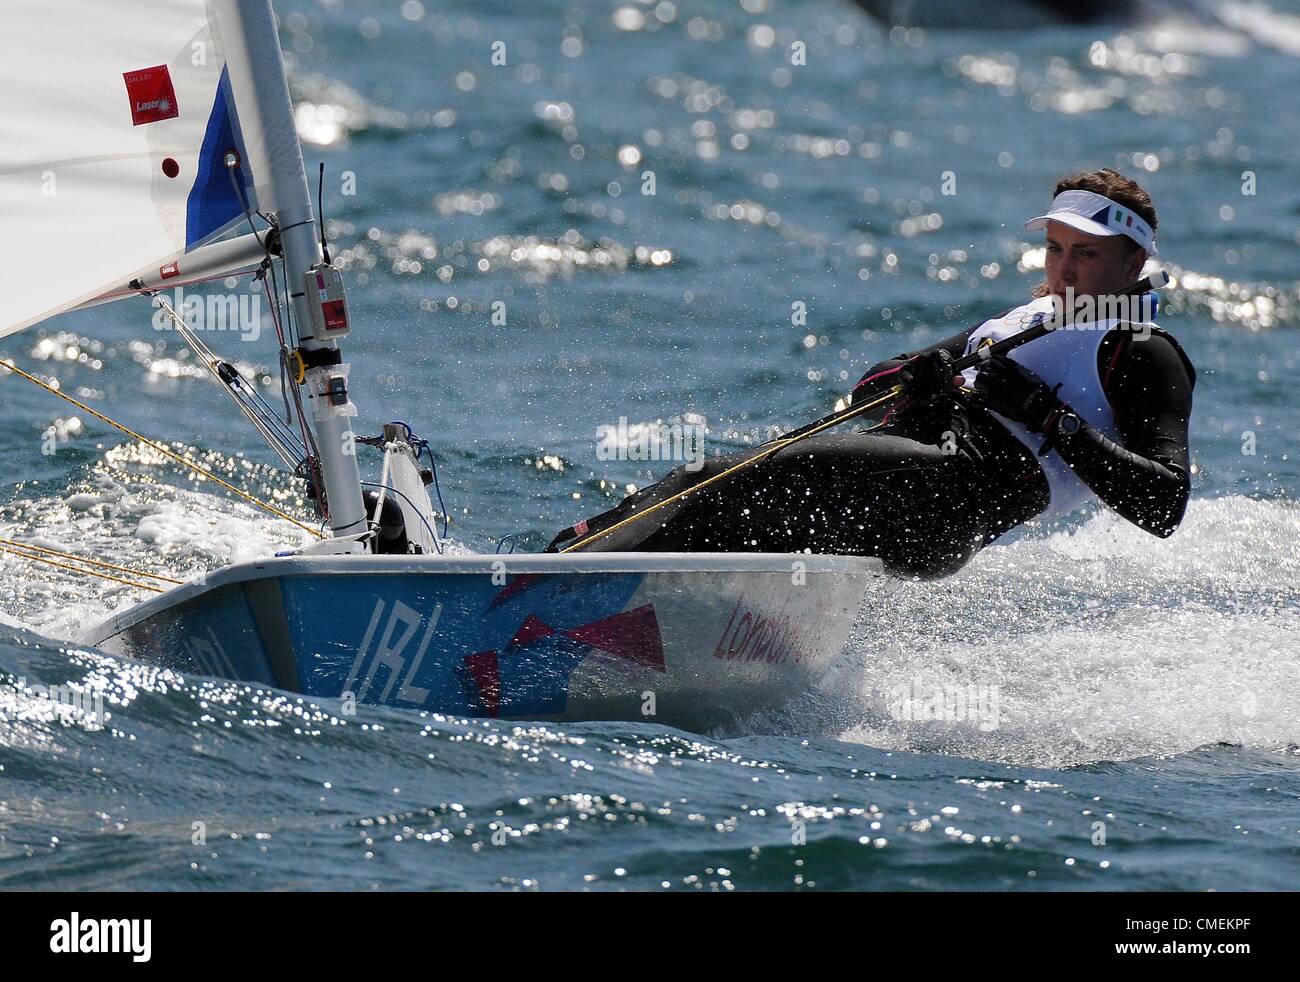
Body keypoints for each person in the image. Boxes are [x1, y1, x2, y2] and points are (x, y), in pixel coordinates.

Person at [547, 168, 1195, 577]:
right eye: (1055, 249)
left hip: (950, 497)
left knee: (703, 482)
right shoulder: (1028, 319)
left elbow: (1165, 503)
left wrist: (1044, 415)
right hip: (912, 475)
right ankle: (572, 577)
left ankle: (548, 588)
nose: (1065, 269)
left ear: (1134, 259)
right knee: (719, 517)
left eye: (1086, 253)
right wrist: (920, 385)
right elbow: (877, 384)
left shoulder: (1142, 347)